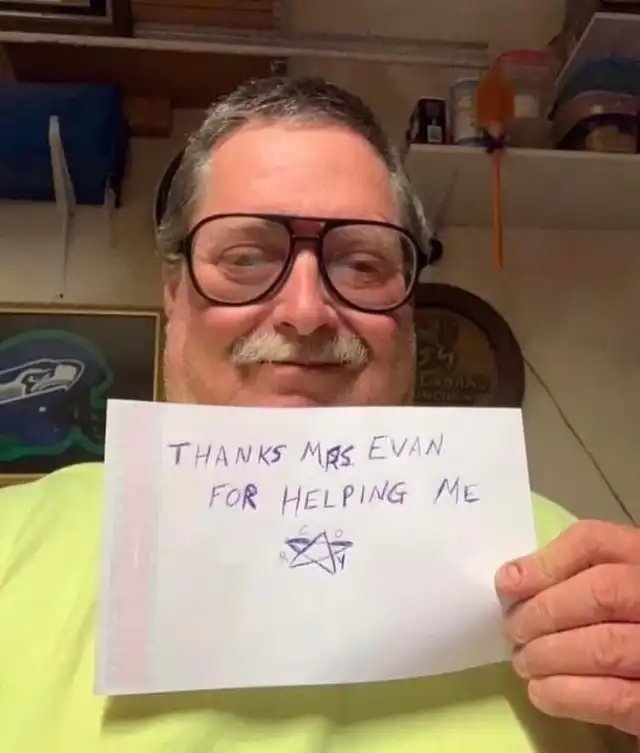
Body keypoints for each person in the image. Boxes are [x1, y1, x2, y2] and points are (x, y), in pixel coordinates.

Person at [0, 75, 638, 753]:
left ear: (407, 311)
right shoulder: (13, 545)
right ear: (174, 292)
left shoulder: (565, 566)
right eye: (246, 257)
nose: (305, 311)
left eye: (361, 264)